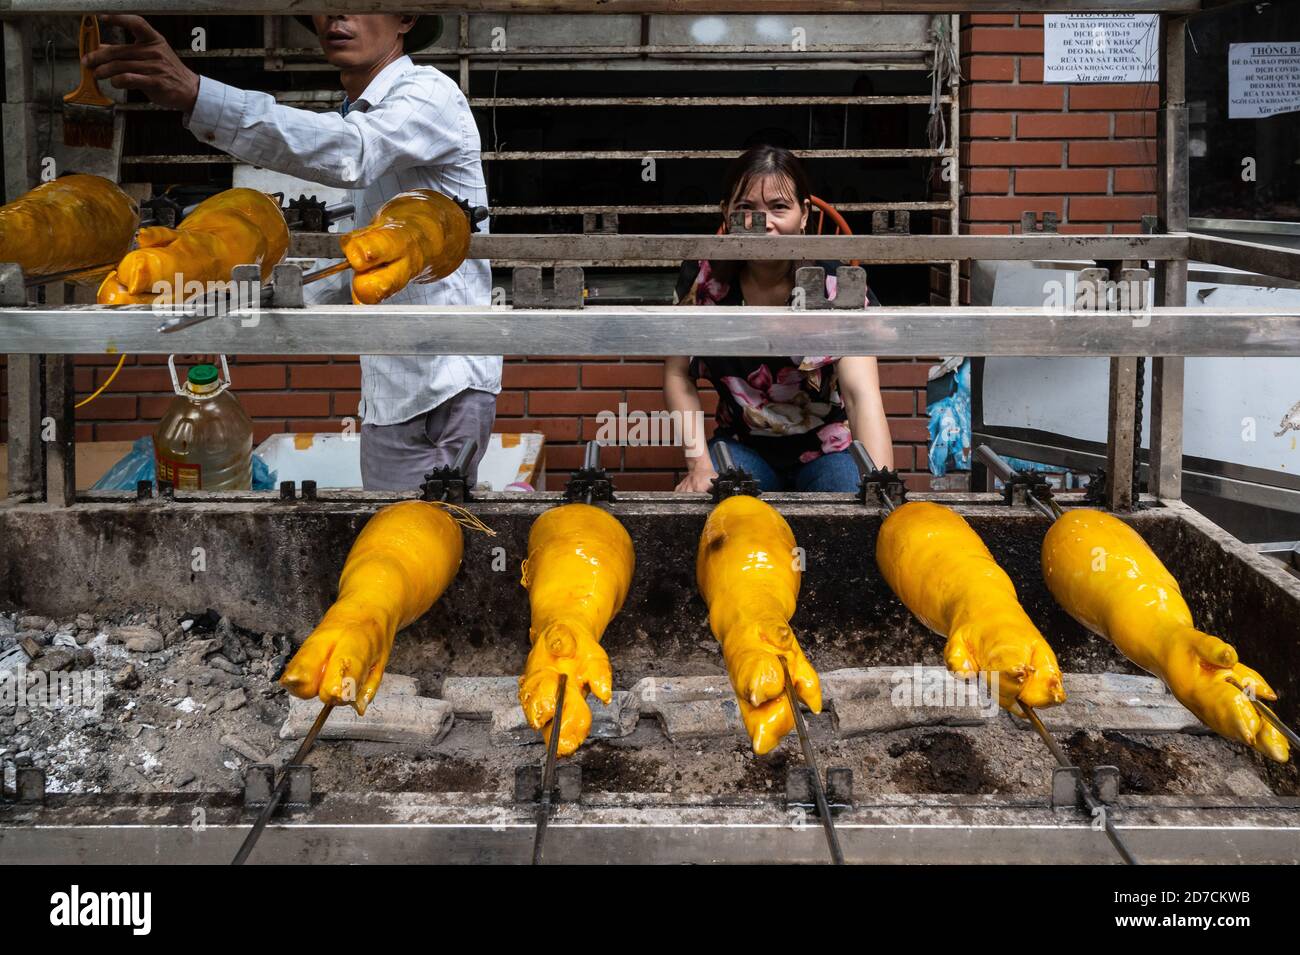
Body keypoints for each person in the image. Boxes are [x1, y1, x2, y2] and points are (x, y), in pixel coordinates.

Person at [83, 13, 501, 490]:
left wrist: (201, 96)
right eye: (325, 3)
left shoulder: (428, 95)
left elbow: (352, 153)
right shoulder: (363, 110)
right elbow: (355, 263)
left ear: (405, 16)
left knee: (413, 538)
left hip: (440, 384)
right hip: (396, 382)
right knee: (393, 529)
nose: (337, 16)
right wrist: (228, 293)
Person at [664, 144, 894, 492]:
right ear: (726, 212)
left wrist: (881, 485)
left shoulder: (835, 283)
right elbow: (678, 374)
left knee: (853, 504)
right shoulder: (703, 280)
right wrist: (698, 466)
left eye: (778, 208)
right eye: (745, 209)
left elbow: (861, 394)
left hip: (827, 452)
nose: (763, 224)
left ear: (803, 215)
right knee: (722, 505)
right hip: (742, 446)